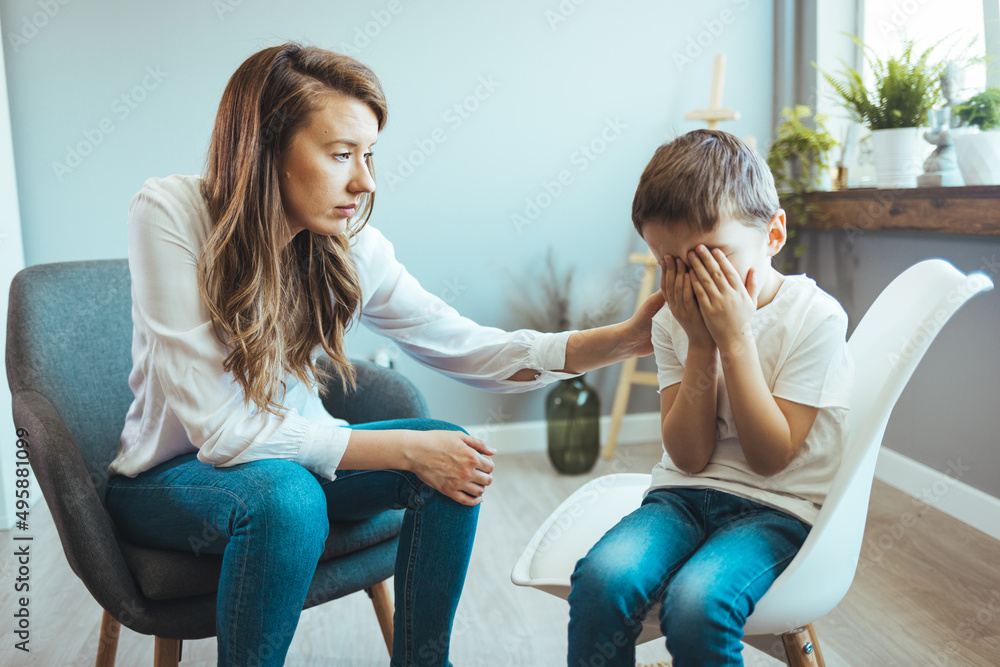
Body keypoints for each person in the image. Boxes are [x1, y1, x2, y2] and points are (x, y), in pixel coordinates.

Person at [102, 43, 664, 667]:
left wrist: (624, 340)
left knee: (452, 453)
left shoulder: (345, 243)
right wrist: (400, 450)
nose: (364, 181)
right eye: (341, 154)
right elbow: (222, 431)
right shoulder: (170, 213)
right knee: (290, 497)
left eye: (368, 156)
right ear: (264, 149)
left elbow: (468, 346)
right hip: (171, 480)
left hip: (294, 467)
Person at [566, 129, 855, 667]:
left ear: (773, 235)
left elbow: (771, 459)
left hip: (776, 509)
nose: (694, 283)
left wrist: (735, 338)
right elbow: (688, 456)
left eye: (712, 259)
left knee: (698, 603)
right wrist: (701, 342)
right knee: (602, 581)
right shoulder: (675, 322)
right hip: (682, 494)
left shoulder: (814, 317)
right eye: (671, 264)